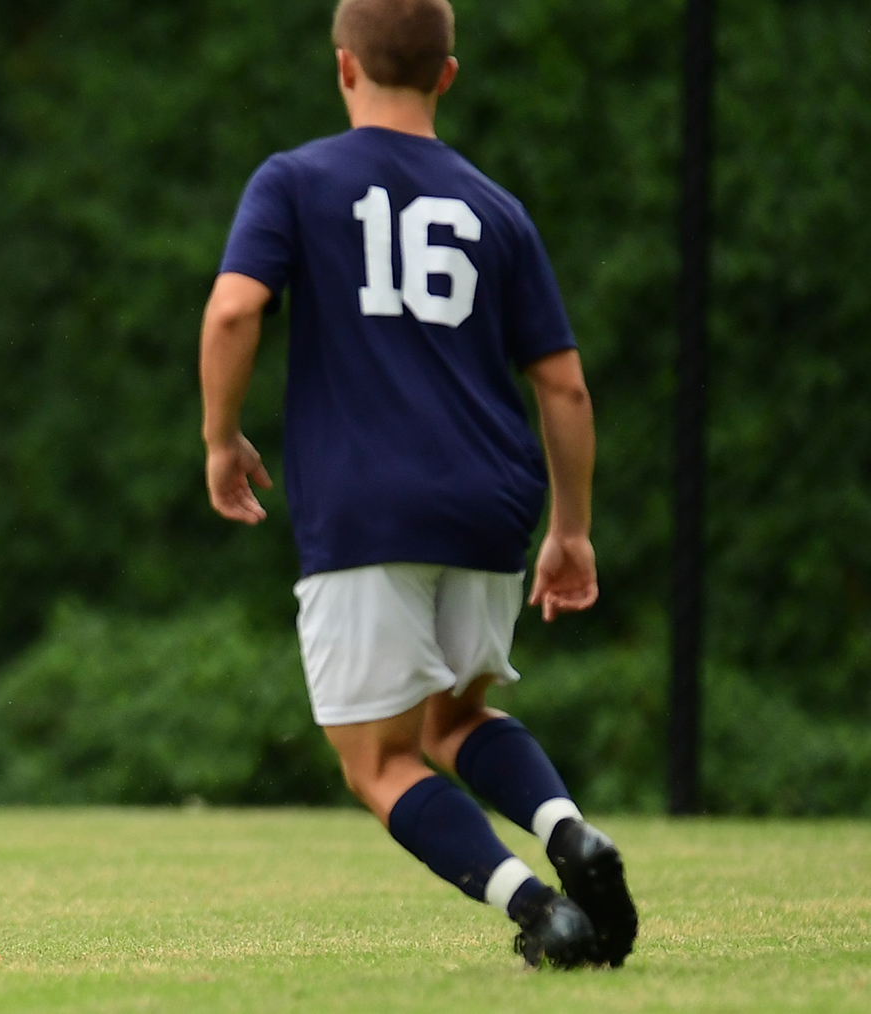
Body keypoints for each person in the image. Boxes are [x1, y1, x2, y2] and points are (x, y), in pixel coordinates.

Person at [198, 0, 637, 969]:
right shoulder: (495, 208)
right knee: (454, 718)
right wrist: (571, 530)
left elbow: (233, 312)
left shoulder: (295, 180)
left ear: (343, 66)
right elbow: (560, 384)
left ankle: (538, 906)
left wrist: (220, 437)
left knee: (378, 760)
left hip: (364, 504)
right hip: (490, 501)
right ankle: (569, 833)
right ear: (446, 75)